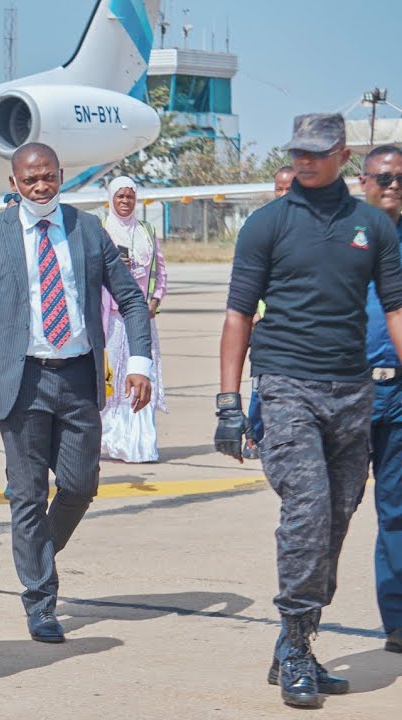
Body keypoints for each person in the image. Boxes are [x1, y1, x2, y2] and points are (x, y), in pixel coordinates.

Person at [214, 114, 402, 708]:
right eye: (297, 151)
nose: (305, 162)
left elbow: (395, 311)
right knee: (308, 514)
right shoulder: (266, 225)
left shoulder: (373, 227)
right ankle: (297, 648)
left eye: (317, 153)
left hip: (352, 392)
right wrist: (227, 403)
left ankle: (295, 639)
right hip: (287, 387)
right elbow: (238, 314)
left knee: (337, 523)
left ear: (344, 155)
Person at [0, 142, 152, 645]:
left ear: (62, 176)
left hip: (76, 377)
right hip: (20, 381)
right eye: (30, 180)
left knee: (79, 486)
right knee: (25, 495)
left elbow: (132, 301)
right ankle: (40, 599)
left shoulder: (88, 229)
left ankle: (36, 554)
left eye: (48, 176)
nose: (41, 186)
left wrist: (139, 362)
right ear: (14, 184)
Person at [358, 145, 402, 654]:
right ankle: (299, 632)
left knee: (396, 512)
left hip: (400, 393)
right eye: (383, 177)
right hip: (348, 390)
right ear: (364, 180)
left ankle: (396, 621)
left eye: (400, 179)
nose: (392, 186)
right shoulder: (341, 238)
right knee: (327, 514)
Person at [99, 177, 167, 463]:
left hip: (141, 316)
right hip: (111, 318)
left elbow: (160, 272)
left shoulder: (147, 231)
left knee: (142, 373)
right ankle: (111, 439)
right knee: (111, 377)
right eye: (120, 197)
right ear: (111, 200)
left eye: (130, 197)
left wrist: (154, 302)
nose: (125, 202)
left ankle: (140, 444)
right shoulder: (101, 231)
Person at [242, 165, 299, 460]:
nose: (284, 194)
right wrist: (252, 317)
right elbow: (246, 281)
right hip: (265, 324)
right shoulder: (261, 228)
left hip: (299, 328)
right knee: (260, 388)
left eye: (290, 188)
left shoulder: (310, 228)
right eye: (279, 188)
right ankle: (252, 436)